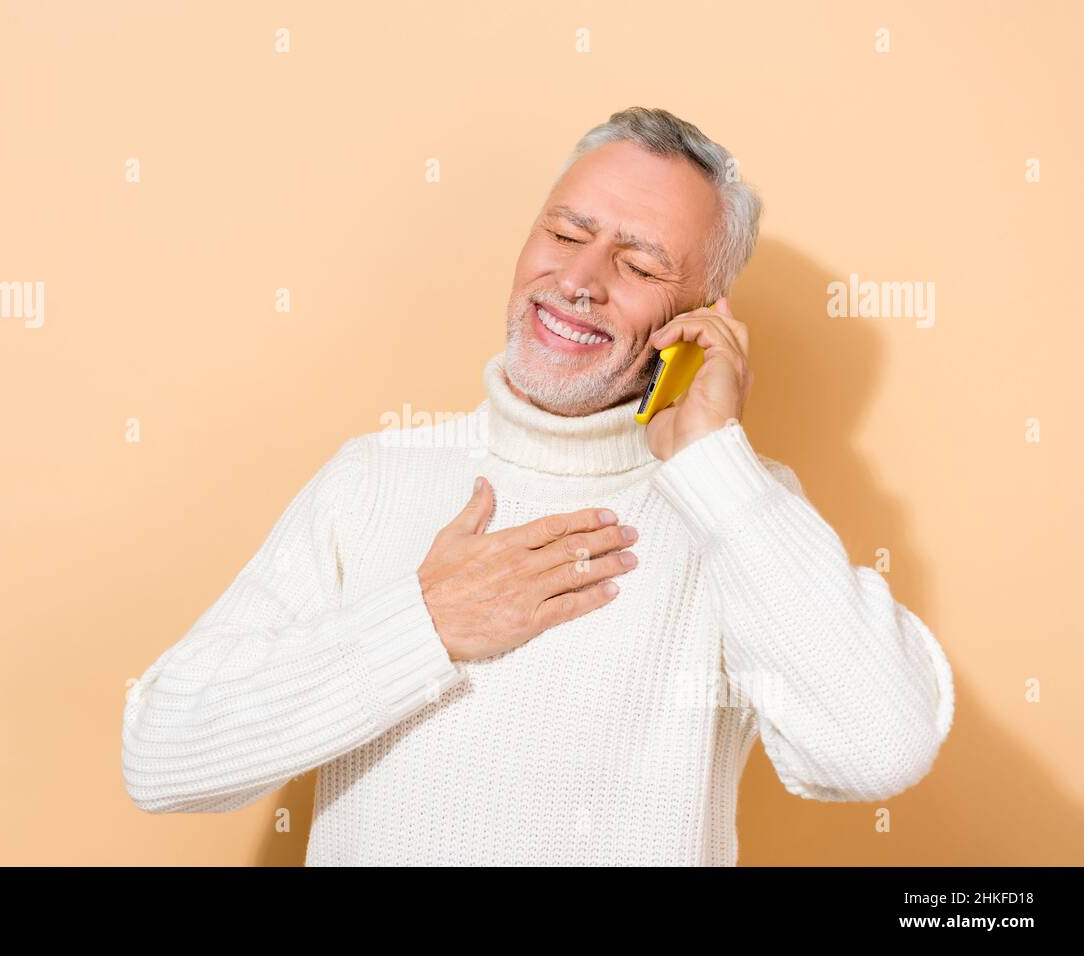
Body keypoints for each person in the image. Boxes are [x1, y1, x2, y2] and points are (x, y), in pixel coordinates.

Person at [120, 106, 955, 866]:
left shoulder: (738, 509)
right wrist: (423, 627)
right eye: (565, 233)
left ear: (700, 321)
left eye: (638, 264)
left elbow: (877, 748)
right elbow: (161, 756)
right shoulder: (374, 477)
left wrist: (712, 464)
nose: (580, 280)